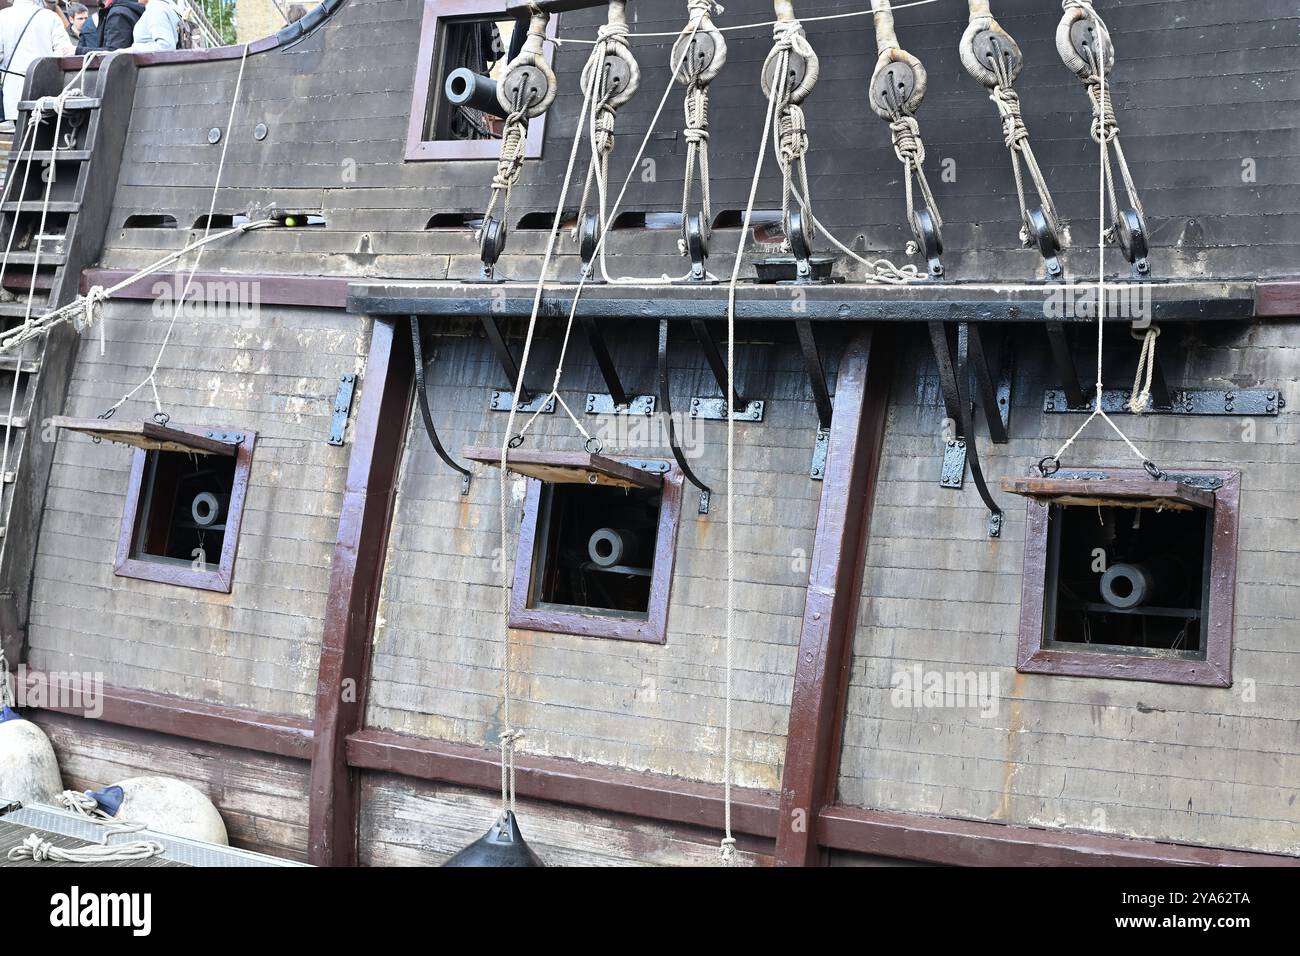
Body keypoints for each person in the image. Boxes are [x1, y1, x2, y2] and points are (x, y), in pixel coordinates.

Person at [0, 0, 76, 131]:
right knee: (43, 137)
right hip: (46, 87)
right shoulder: (50, 17)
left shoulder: (2, 17)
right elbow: (65, 53)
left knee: (21, 136)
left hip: (13, 88)